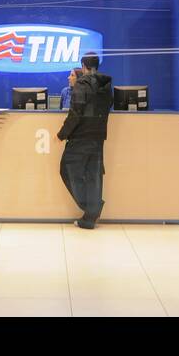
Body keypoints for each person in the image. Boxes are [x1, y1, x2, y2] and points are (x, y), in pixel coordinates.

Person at [57, 53, 112, 229]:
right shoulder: (106, 85)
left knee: (66, 170)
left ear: (83, 66)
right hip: (98, 136)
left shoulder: (82, 84)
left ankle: (91, 208)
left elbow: (76, 113)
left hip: (81, 137)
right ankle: (90, 217)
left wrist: (62, 134)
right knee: (93, 176)